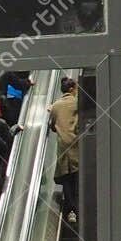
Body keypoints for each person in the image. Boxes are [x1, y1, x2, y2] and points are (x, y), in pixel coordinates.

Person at [48, 76, 80, 223]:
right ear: (72, 88)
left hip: (63, 147)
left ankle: (71, 211)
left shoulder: (55, 105)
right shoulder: (78, 103)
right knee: (78, 176)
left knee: (67, 178)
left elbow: (53, 127)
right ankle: (81, 209)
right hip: (78, 144)